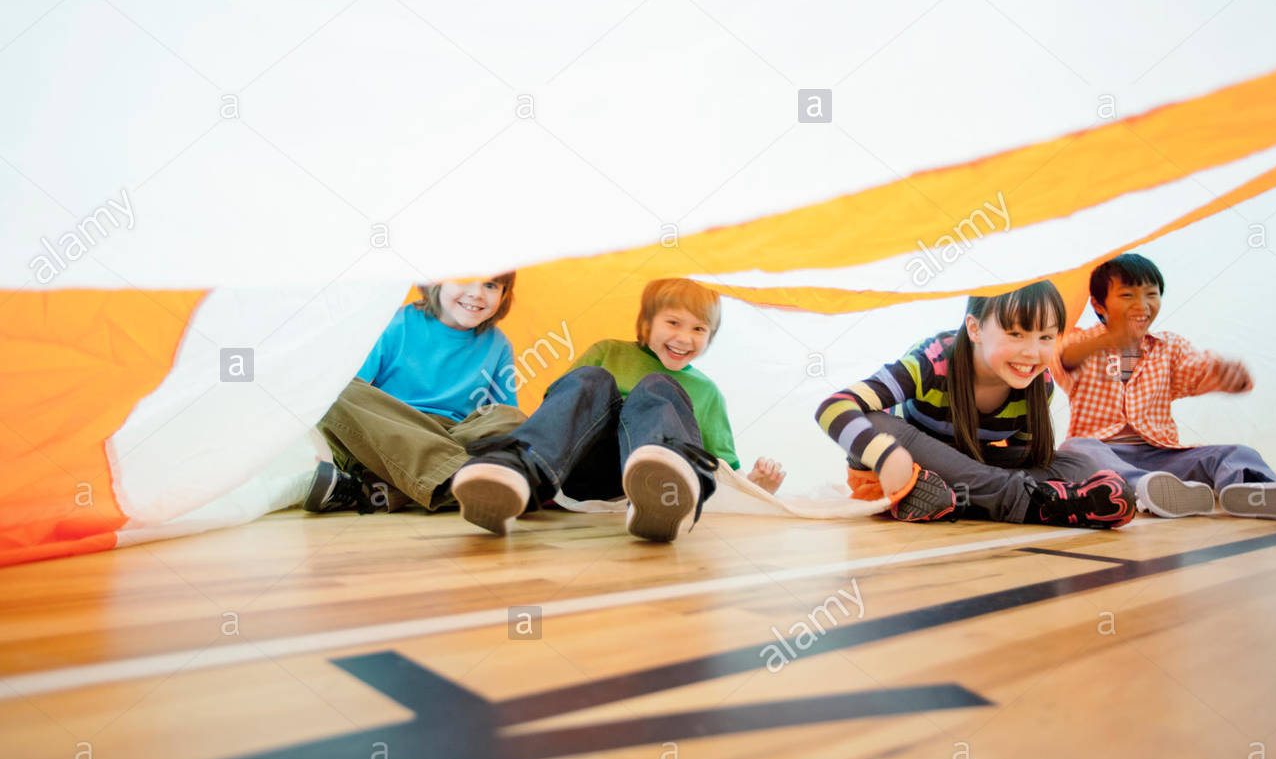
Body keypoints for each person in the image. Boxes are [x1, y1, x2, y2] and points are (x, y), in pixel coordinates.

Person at [449, 277, 786, 542]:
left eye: (698, 328)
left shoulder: (707, 393)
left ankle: (660, 493)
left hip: (633, 480)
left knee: (660, 387)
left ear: (710, 335)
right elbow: (560, 408)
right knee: (592, 379)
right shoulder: (608, 351)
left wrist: (756, 485)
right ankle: (516, 473)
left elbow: (724, 467)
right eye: (673, 323)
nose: (684, 338)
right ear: (648, 322)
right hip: (583, 465)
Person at [815, 280, 1135, 528]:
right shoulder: (933, 360)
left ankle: (956, 501)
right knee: (876, 422)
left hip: (966, 468)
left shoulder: (1040, 387)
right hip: (902, 466)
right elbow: (833, 406)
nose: (1032, 353)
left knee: (1081, 465)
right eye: (1016, 334)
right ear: (975, 328)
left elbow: (1028, 464)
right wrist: (884, 455)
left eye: (1046, 338)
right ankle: (1020, 502)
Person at [1054, 252, 1276, 521]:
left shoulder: (1168, 347)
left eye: (1151, 294)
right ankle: (1146, 488)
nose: (1142, 305)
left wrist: (1224, 374)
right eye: (1127, 296)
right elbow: (1066, 357)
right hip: (1103, 453)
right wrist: (1110, 339)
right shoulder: (1081, 344)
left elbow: (1196, 370)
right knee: (1075, 449)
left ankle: (1260, 492)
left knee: (1237, 453)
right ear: (1099, 305)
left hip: (1162, 456)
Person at [303, 275, 527, 513]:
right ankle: (462, 477)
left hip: (452, 433)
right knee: (339, 390)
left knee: (511, 418)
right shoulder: (395, 323)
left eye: (491, 286)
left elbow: (508, 423)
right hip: (390, 431)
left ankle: (384, 489)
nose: (477, 294)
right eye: (465, 280)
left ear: (504, 295)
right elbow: (354, 395)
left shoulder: (499, 344)